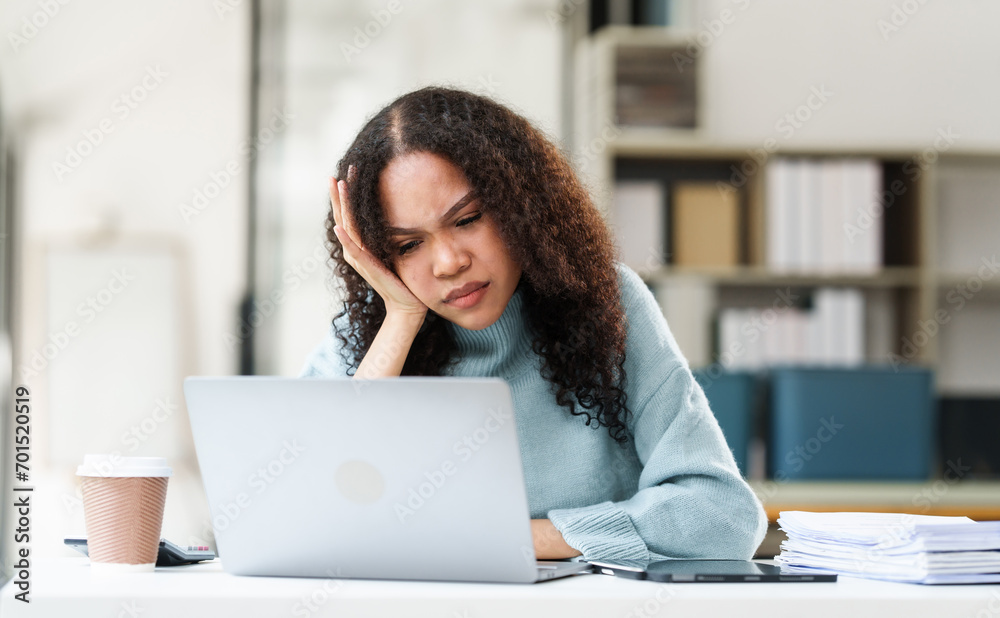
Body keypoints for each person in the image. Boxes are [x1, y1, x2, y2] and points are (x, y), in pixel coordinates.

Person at [300, 85, 767, 563]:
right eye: (407, 245)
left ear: (520, 204)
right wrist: (400, 320)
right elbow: (300, 521)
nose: (448, 262)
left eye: (468, 219)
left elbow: (723, 518)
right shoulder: (364, 340)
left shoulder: (609, 304)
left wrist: (519, 540)